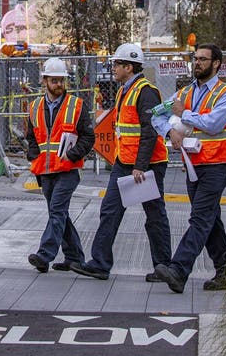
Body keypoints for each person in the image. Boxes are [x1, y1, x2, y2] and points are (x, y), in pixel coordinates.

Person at [74, 43, 172, 281]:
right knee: (110, 210)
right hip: (125, 162)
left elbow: (150, 132)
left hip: (145, 165)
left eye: (117, 64)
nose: (113, 68)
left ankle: (164, 267)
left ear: (129, 67)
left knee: (154, 216)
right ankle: (100, 263)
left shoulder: (146, 92)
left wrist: (140, 165)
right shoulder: (124, 90)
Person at [152, 43, 226, 294]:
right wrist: (170, 131)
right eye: (195, 58)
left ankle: (179, 269)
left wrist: (184, 115)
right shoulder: (185, 92)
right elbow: (156, 114)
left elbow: (213, 124)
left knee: (200, 218)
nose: (197, 62)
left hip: (217, 165)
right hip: (193, 164)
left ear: (216, 64)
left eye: (202, 59)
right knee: (210, 220)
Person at [26, 57, 95, 273]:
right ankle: (75, 257)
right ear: (45, 81)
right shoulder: (35, 106)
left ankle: (44, 255)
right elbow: (32, 137)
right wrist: (33, 154)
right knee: (60, 214)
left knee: (56, 210)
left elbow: (88, 137)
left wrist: (73, 155)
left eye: (61, 81)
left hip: (67, 169)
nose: (59, 85)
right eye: (54, 81)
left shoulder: (76, 105)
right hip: (45, 170)